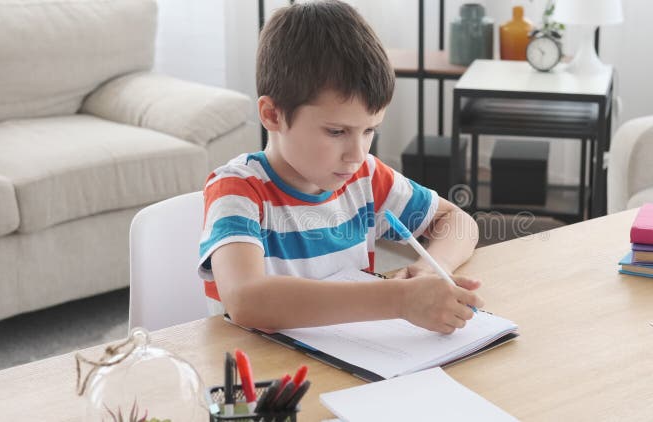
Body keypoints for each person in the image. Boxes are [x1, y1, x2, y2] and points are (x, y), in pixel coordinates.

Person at [198, 0, 481, 335]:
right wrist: (399, 299)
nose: (357, 154)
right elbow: (247, 300)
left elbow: (457, 221)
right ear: (272, 115)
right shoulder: (237, 191)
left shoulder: (365, 177)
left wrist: (434, 267)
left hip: (349, 362)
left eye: (369, 131)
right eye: (336, 132)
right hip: (262, 375)